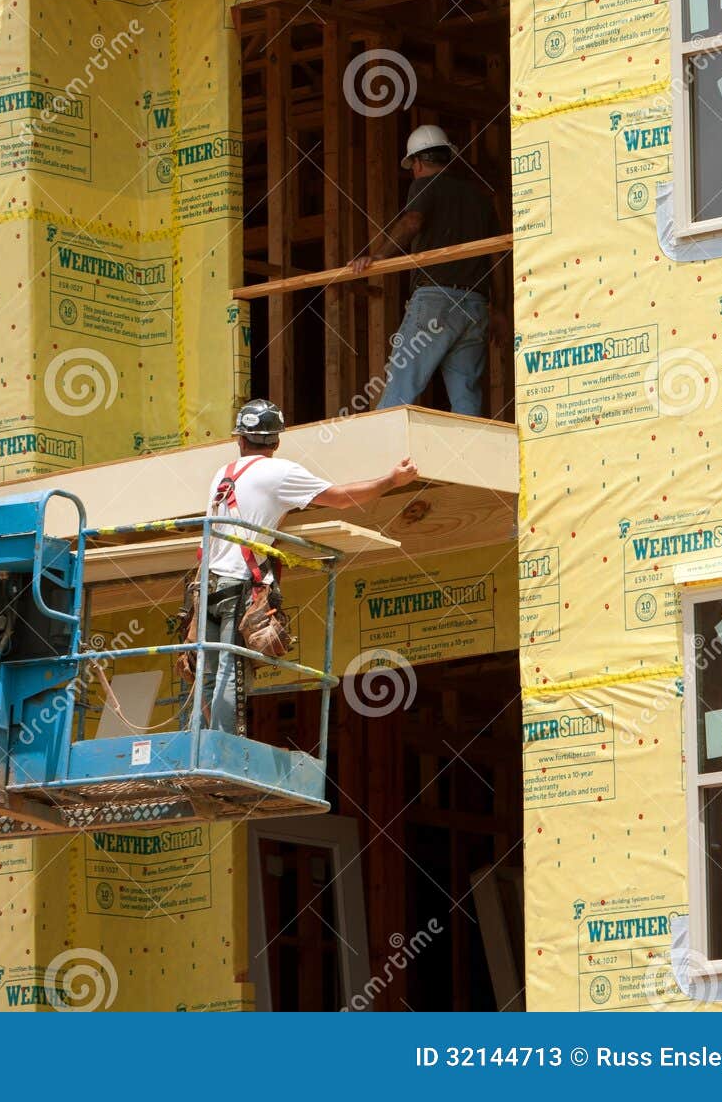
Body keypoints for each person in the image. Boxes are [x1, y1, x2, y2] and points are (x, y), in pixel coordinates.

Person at [199, 400, 418, 733]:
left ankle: (200, 746)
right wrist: (392, 480)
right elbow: (342, 498)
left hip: (207, 586)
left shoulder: (222, 473)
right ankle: (221, 750)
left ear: (240, 440)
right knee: (231, 670)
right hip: (239, 584)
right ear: (276, 442)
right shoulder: (279, 472)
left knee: (206, 669)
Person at [349, 124, 505, 417]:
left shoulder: (424, 185)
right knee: (466, 398)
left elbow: (412, 222)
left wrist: (378, 257)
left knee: (401, 385)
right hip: (475, 307)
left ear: (417, 163)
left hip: (436, 302)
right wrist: (499, 309)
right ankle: (470, 458)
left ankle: (383, 453)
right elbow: (496, 256)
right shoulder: (481, 199)